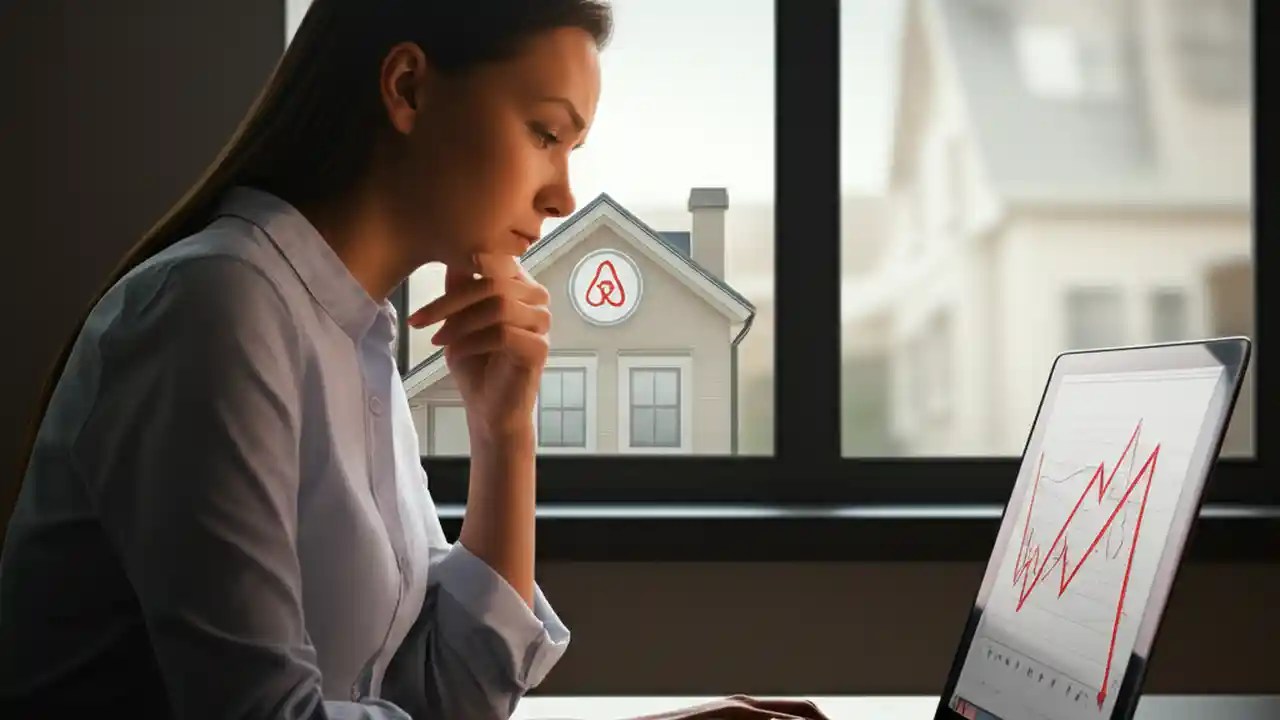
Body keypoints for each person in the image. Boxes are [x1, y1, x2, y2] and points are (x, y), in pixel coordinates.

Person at [0, 1, 830, 718]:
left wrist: (506, 429)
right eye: (545, 132)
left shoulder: (351, 338)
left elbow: (445, 698)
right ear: (407, 87)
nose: (563, 195)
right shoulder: (219, 309)